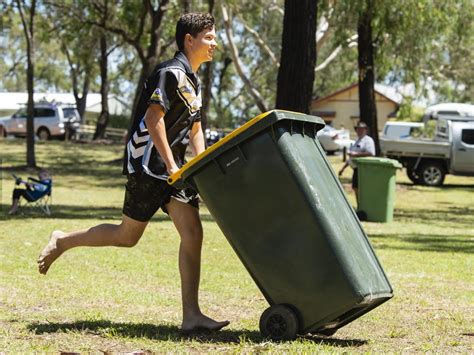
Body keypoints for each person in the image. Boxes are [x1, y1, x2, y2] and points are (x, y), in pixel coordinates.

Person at [37, 13, 229, 332]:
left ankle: (191, 315)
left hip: (177, 171)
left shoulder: (193, 81)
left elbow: (196, 128)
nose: (215, 43)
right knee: (128, 236)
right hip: (150, 165)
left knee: (193, 234)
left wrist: (201, 163)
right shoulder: (170, 73)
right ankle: (62, 241)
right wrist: (170, 165)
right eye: (209, 37)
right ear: (189, 40)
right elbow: (154, 120)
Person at [338, 121, 375, 201]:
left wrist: (356, 154)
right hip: (356, 169)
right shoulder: (356, 141)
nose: (359, 131)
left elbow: (371, 153)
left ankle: (363, 205)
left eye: (361, 129)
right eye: (358, 129)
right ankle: (359, 206)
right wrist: (343, 168)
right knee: (355, 188)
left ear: (365, 130)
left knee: (362, 189)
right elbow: (351, 157)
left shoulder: (368, 140)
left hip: (364, 169)